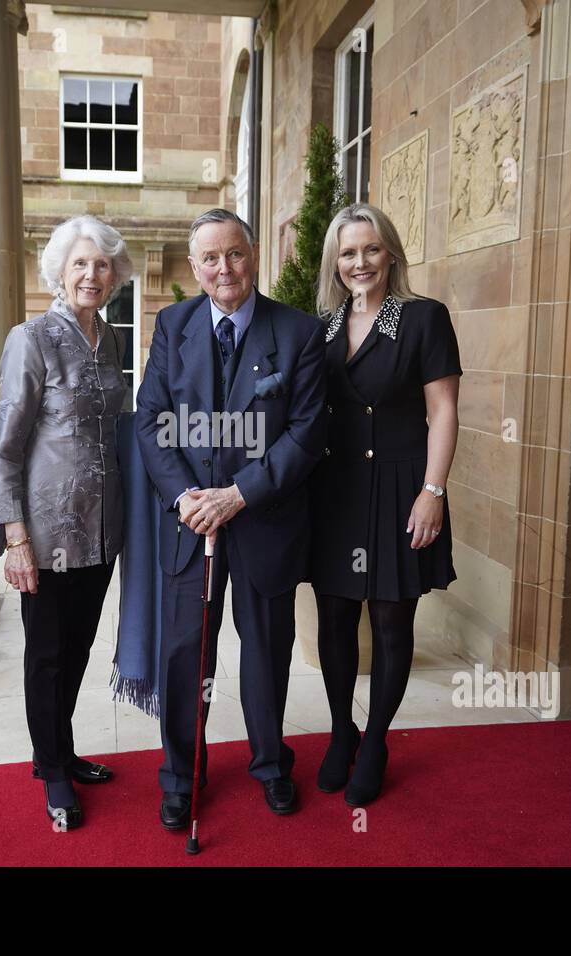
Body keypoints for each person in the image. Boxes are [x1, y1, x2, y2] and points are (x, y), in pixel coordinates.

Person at [135, 208, 327, 829]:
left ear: (254, 256)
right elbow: (152, 422)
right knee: (186, 655)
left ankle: (271, 765)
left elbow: (305, 434)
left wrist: (238, 495)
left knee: (267, 653)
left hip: (263, 522)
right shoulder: (172, 325)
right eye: (211, 259)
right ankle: (180, 777)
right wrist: (187, 497)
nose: (225, 268)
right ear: (195, 268)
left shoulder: (297, 333)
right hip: (193, 528)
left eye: (235, 254)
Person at [307, 202, 463, 807]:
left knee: (393, 619)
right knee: (336, 618)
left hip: (404, 486)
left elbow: (444, 411)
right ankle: (342, 731)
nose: (360, 262)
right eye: (348, 253)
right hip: (336, 490)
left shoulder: (422, 319)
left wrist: (434, 491)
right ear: (335, 262)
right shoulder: (320, 327)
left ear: (390, 253)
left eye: (371, 249)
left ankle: (376, 741)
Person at [0, 215, 132, 830]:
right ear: (59, 271)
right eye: (80, 264)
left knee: (78, 646)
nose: (91, 275)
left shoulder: (115, 342)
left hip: (101, 529)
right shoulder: (32, 337)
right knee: (46, 652)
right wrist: (14, 536)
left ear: (114, 274)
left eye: (101, 265)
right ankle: (50, 772)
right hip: (45, 533)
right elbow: (6, 446)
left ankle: (63, 750)